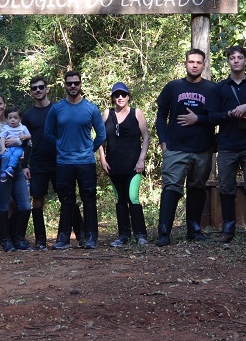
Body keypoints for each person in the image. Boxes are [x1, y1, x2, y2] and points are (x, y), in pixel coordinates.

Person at [155, 49, 218, 247]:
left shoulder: (212, 89)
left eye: (198, 62)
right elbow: (161, 116)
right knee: (171, 188)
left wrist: (198, 120)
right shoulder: (173, 87)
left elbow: (218, 117)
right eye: (191, 61)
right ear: (185, 64)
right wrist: (164, 143)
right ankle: (164, 232)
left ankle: (194, 230)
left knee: (197, 188)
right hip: (176, 148)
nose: (194, 65)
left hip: (202, 148)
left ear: (204, 65)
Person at [209, 46, 246, 244]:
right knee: (226, 187)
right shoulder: (220, 88)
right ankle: (228, 228)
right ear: (228, 61)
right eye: (232, 58)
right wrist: (230, 114)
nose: (236, 60)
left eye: (240, 57)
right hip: (226, 145)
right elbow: (211, 116)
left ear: (245, 61)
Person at [44, 71, 106, 249]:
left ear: (80, 84)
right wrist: (60, 146)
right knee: (66, 199)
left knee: (89, 198)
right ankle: (63, 239)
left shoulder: (91, 108)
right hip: (64, 162)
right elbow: (48, 133)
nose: (73, 86)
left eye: (76, 83)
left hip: (86, 162)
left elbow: (101, 135)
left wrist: (89, 150)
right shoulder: (57, 108)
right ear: (64, 84)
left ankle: (91, 238)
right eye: (69, 83)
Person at [22, 75, 83, 250]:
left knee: (67, 198)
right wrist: (24, 165)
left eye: (41, 87)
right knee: (37, 201)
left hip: (60, 161)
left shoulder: (58, 109)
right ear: (31, 92)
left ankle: (81, 235)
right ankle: (40, 240)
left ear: (47, 89)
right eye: (34, 88)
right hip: (38, 163)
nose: (38, 90)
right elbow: (25, 143)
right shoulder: (28, 115)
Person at [98, 82, 150, 247]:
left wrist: (141, 159)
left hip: (134, 165)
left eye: (123, 94)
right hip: (113, 165)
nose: (120, 97)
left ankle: (141, 235)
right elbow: (101, 139)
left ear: (128, 97)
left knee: (133, 198)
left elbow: (146, 137)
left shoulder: (137, 113)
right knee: (120, 199)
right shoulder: (107, 113)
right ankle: (123, 235)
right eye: (117, 95)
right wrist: (103, 159)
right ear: (113, 97)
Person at [0, 93, 33, 251]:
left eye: (0, 104)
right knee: (4, 206)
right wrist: (6, 156)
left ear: (5, 105)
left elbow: (28, 142)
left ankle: (19, 239)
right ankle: (6, 241)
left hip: (17, 168)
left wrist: (19, 145)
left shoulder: (14, 121)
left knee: (25, 205)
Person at [0, 107, 31, 181]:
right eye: (10, 118)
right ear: (7, 119)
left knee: (17, 155)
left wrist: (25, 136)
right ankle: (3, 171)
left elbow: (29, 136)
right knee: (6, 156)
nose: (12, 120)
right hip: (9, 147)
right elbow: (2, 138)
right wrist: (3, 148)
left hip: (18, 147)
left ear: (20, 119)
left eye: (15, 118)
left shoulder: (23, 127)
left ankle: (11, 167)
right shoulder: (6, 127)